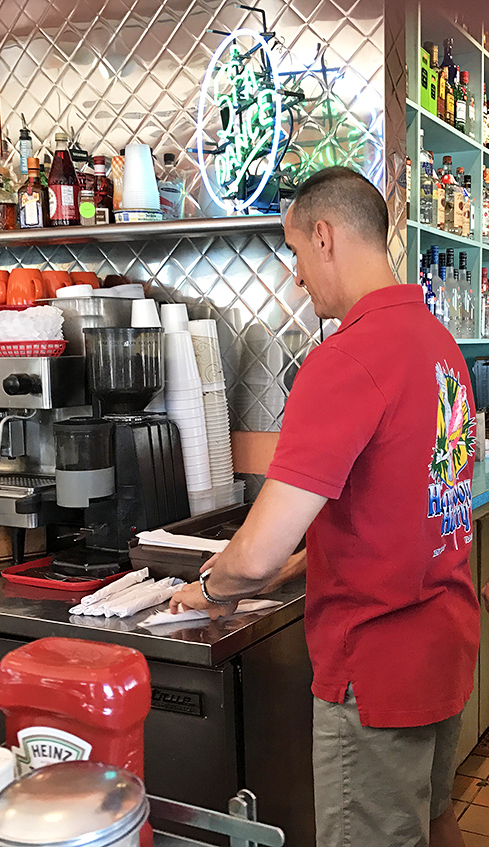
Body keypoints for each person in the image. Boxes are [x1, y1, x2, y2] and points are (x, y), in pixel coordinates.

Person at [170, 166, 480, 847]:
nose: (297, 277)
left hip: (375, 672)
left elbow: (254, 553)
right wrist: (289, 570)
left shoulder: (345, 360)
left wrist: (206, 587)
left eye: (296, 255)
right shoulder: (438, 346)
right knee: (433, 820)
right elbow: (409, 508)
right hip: (444, 646)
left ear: (324, 235)